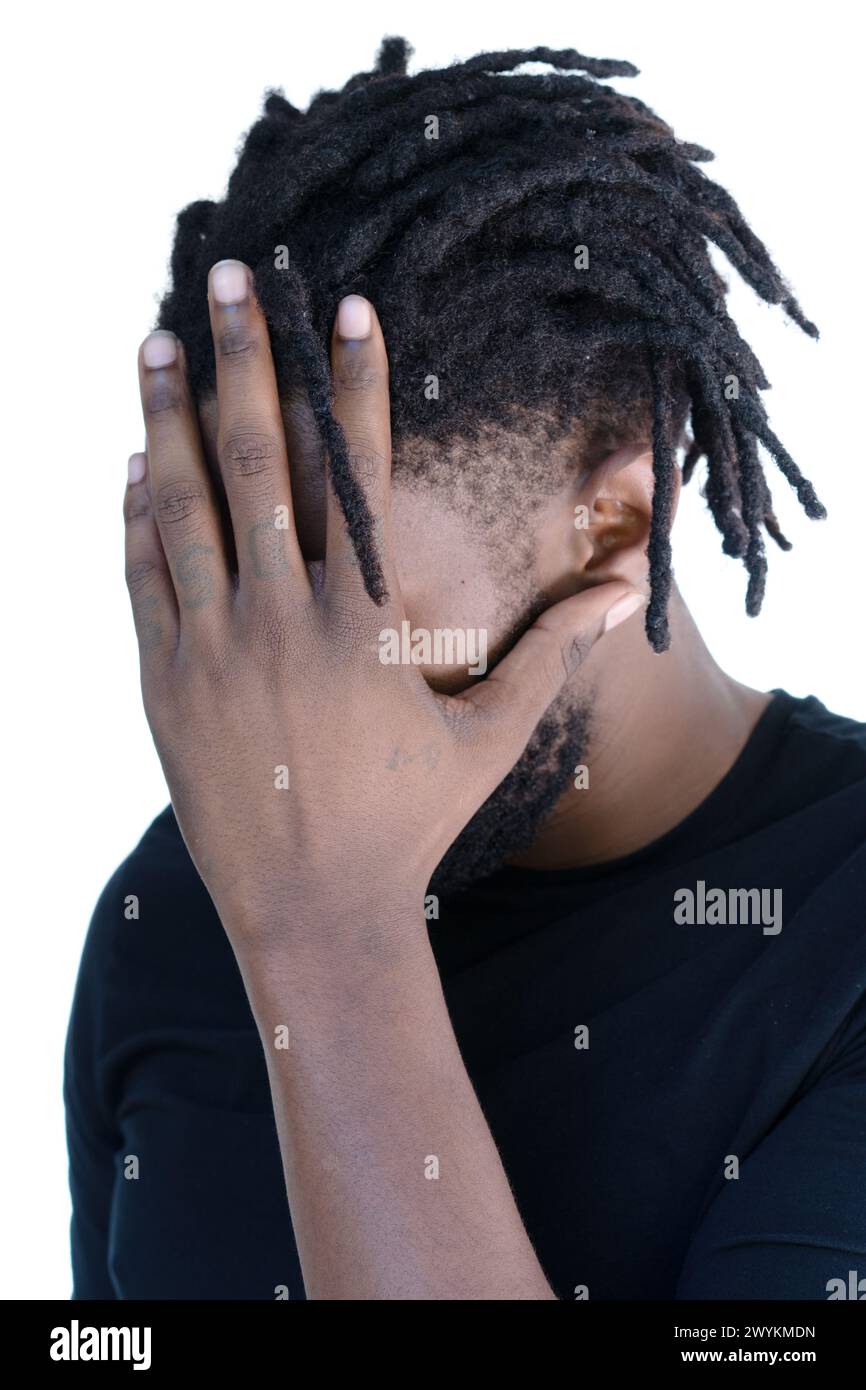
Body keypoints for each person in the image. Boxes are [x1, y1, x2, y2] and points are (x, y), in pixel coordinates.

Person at [65, 37, 866, 1301]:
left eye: (337, 601)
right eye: (226, 578)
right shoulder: (172, 912)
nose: (265, 693)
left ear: (613, 519)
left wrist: (326, 938)